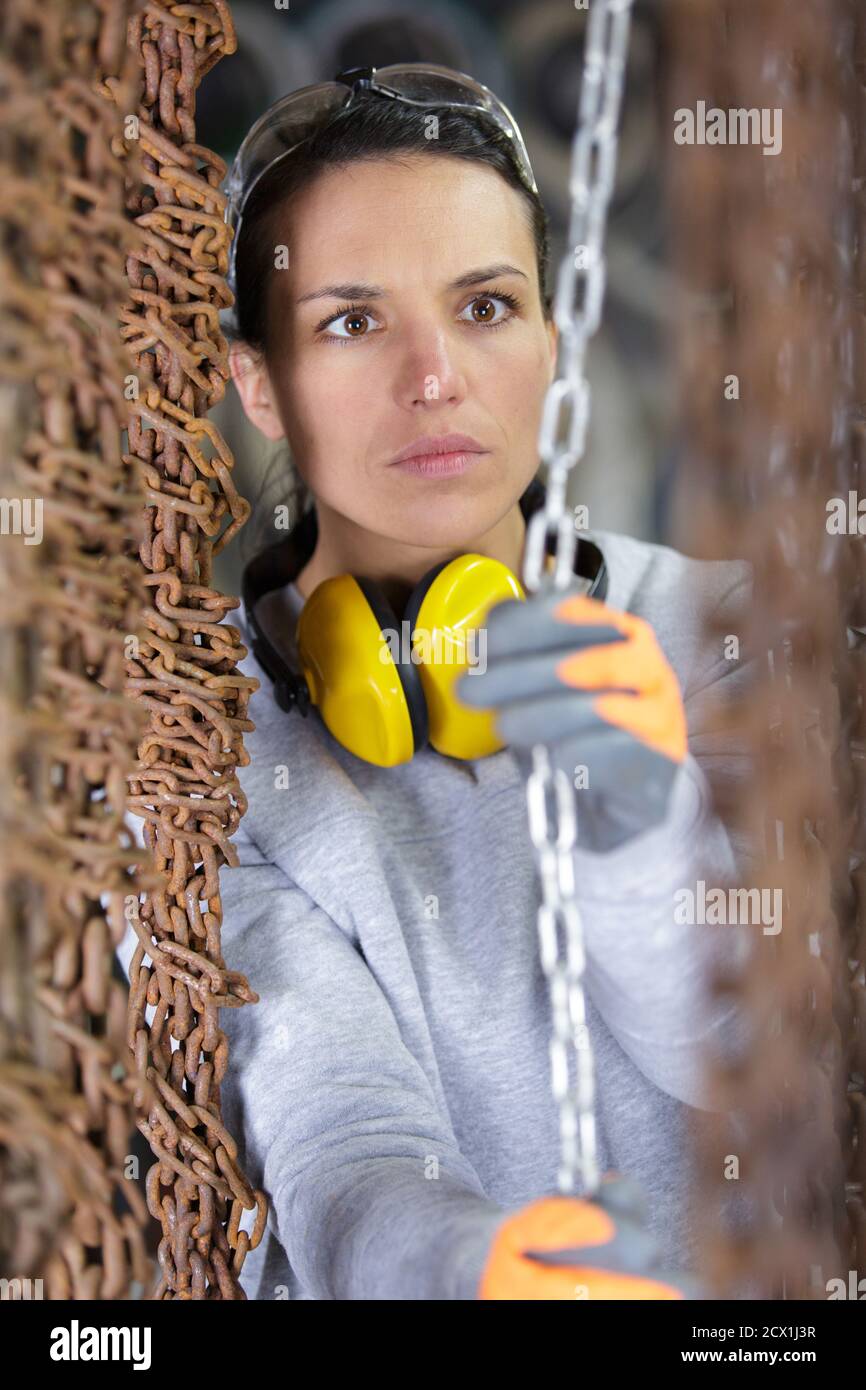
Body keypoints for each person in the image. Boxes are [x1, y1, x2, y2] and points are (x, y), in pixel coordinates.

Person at [216, 65, 754, 1300]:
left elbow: (753, 1065)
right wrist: (477, 1277)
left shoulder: (730, 631)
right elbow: (334, 1146)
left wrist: (636, 830)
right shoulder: (199, 753)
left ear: (551, 339)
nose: (434, 377)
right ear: (257, 385)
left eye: (485, 306)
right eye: (351, 320)